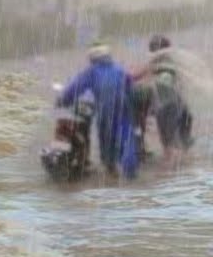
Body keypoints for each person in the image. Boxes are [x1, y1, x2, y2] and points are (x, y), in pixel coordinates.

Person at [56, 43, 138, 179]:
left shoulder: (92, 72)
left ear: (92, 58)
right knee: (127, 139)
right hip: (123, 106)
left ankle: (111, 171)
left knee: (107, 139)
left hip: (105, 109)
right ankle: (130, 175)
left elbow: (75, 88)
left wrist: (63, 100)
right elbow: (129, 86)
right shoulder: (118, 69)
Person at [131, 34, 194, 167]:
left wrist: (124, 77)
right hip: (179, 106)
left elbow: (138, 76)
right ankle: (181, 166)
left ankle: (171, 173)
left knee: (169, 143)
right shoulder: (171, 62)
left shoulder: (159, 64)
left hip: (166, 107)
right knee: (177, 141)